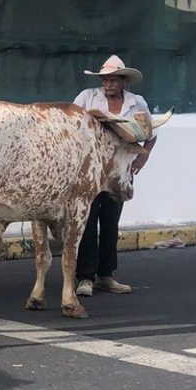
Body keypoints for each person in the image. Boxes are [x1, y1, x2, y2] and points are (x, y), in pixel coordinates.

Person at [71, 54, 157, 297]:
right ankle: (85, 277)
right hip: (91, 169)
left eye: (113, 81)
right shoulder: (87, 98)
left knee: (110, 221)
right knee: (87, 221)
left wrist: (143, 156)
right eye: (105, 81)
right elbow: (71, 126)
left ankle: (105, 275)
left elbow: (150, 132)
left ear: (122, 82)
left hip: (118, 169)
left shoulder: (136, 102)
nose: (108, 85)